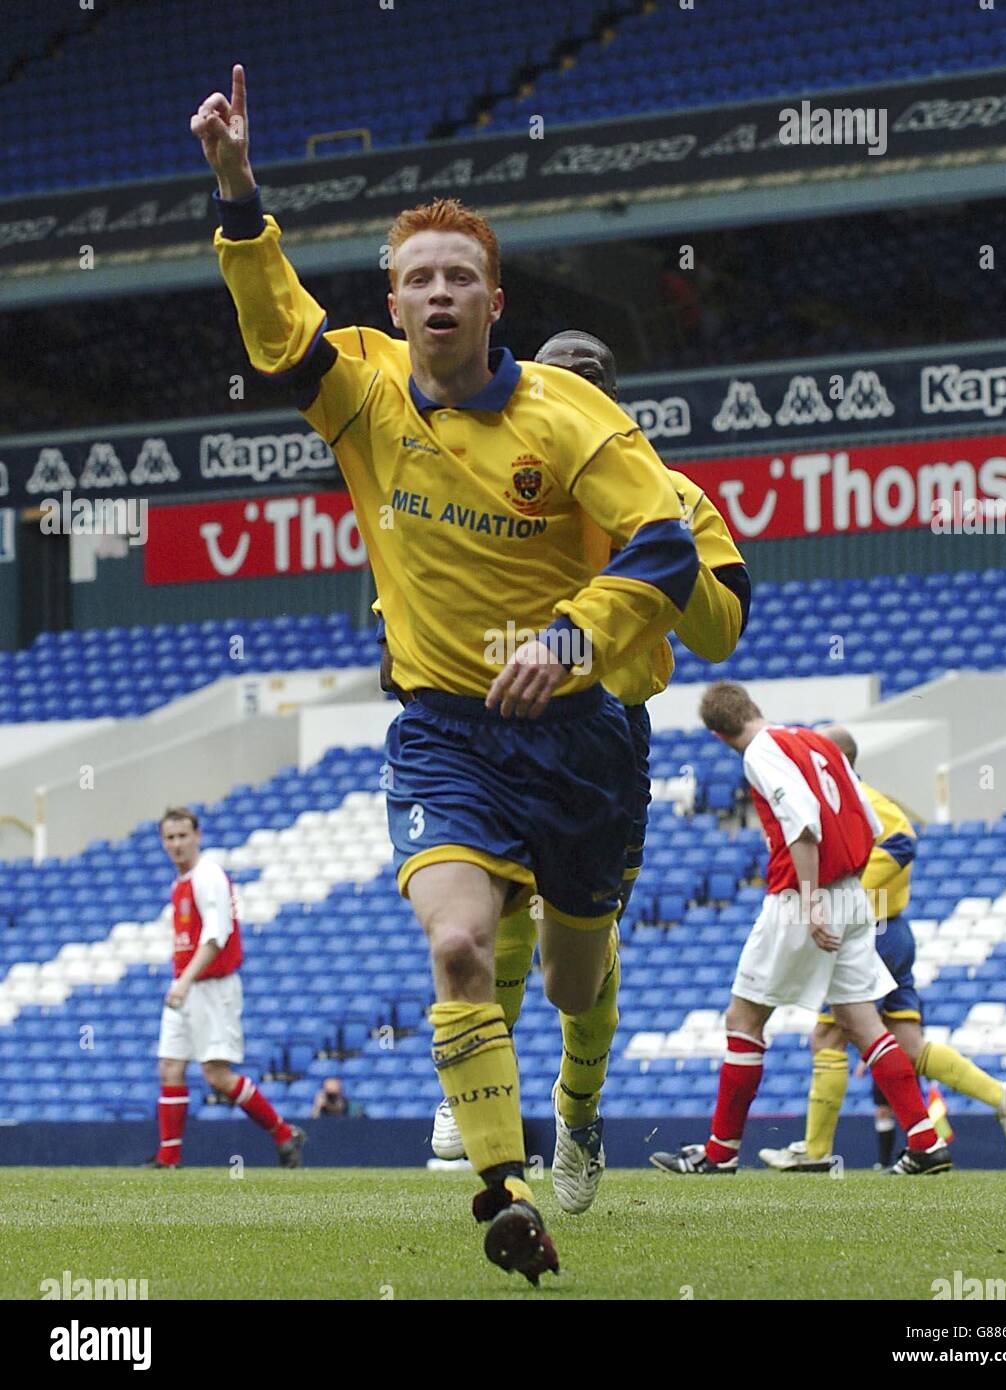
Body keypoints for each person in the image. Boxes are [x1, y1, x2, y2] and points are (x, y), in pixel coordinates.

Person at [193, 67, 699, 1282]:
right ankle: (500, 1182)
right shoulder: (363, 391)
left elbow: (667, 544)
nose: (435, 293)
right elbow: (279, 336)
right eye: (415, 276)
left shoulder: (571, 418)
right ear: (395, 297)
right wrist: (239, 193)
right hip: (443, 729)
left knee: (578, 973)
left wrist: (572, 637)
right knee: (460, 947)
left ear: (492, 300)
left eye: (456, 277)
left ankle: (578, 1114)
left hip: (579, 738)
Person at [423, 329, 750, 1214]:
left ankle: (579, 1110)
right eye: (554, 383)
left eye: (590, 383)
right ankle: (487, 1098)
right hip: (493, 717)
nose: (569, 397)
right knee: (494, 910)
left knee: (584, 954)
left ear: (614, 402)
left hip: (607, 733)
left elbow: (720, 633)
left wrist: (662, 541)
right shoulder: (480, 478)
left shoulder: (669, 493)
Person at [649, 683, 954, 1177]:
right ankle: (924, 1142)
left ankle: (720, 1152)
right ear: (755, 708)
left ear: (718, 734)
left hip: (800, 900)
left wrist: (812, 900)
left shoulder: (761, 752)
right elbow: (869, 817)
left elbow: (803, 824)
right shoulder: (819, 742)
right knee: (862, 1023)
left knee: (743, 1021)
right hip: (855, 895)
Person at [759, 725, 1006, 1172]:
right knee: (907, 1044)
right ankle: (1002, 1097)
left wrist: (850, 898)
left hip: (875, 931)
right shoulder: (844, 800)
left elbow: (902, 839)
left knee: (827, 1034)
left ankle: (815, 1152)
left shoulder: (858, 797)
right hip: (892, 931)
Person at [150, 808, 306, 1168]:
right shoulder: (182, 882)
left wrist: (185, 980)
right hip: (187, 985)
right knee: (170, 1067)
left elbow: (216, 936)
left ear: (197, 836)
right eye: (169, 838)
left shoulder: (209, 876)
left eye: (182, 836)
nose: (176, 844)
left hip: (212, 987)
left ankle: (283, 1133)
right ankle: (168, 1158)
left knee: (216, 1075)